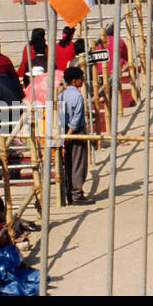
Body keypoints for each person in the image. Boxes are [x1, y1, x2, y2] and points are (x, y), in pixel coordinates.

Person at [58, 65, 89, 204]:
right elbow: (76, 119)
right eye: (81, 79)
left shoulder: (60, 95)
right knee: (78, 163)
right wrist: (69, 134)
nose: (82, 81)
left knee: (69, 163)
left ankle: (69, 191)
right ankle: (77, 193)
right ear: (75, 81)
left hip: (64, 130)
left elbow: (59, 116)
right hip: (75, 132)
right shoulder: (78, 96)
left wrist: (64, 134)